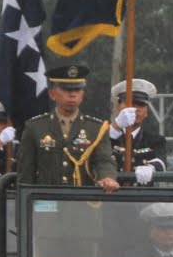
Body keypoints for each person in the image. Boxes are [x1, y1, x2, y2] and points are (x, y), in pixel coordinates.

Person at [17, 62, 120, 191]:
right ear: (52, 94)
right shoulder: (35, 127)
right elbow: (26, 172)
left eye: (77, 89)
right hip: (46, 203)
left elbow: (104, 160)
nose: (72, 95)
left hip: (82, 203)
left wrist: (107, 177)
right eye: (66, 89)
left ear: (82, 94)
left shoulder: (95, 129)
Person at [108, 78, 167, 185]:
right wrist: (116, 126)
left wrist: (151, 167)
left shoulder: (155, 140)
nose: (136, 109)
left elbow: (161, 163)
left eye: (141, 105)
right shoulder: (106, 135)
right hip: (109, 198)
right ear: (118, 107)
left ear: (146, 112)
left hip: (142, 198)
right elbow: (97, 149)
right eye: (130, 104)